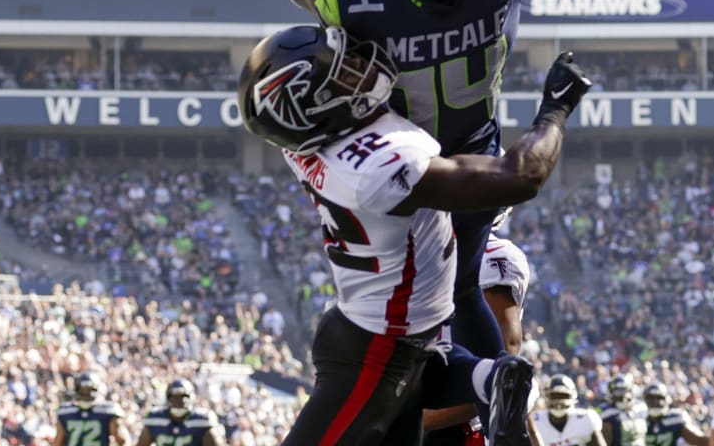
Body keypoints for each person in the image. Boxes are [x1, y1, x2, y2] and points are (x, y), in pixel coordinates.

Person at [254, 0, 538, 439]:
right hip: (472, 155)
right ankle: (484, 397)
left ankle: (469, 411)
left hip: (396, 170)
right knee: (454, 309)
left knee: (400, 335)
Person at [239, 25, 591, 446]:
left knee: (400, 375)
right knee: (403, 373)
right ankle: (484, 377)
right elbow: (522, 177)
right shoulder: (377, 167)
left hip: (370, 325)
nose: (360, 70)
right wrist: (555, 110)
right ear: (316, 108)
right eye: (344, 75)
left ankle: (484, 377)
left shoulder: (303, 143)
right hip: (381, 343)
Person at [425, 233, 537, 442]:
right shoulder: (406, 240)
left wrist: (423, 419)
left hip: (454, 426)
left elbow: (502, 363)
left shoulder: (492, 254)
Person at [137, 380, 224, 446]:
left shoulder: (203, 420)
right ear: (168, 397)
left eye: (184, 396)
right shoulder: (155, 418)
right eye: (175, 397)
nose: (180, 401)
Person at [530, 375, 605, 446]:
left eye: (563, 396)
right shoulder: (535, 421)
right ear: (547, 396)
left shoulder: (586, 419)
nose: (559, 402)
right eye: (555, 396)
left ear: (572, 396)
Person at [54, 373, 126, 446]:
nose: (86, 392)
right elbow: (121, 440)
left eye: (88, 389)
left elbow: (58, 442)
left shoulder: (65, 411)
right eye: (84, 390)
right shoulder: (109, 410)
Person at [600, 374, 647, 446]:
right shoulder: (605, 411)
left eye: (625, 390)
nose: (623, 395)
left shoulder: (640, 407)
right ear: (611, 393)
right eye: (618, 391)